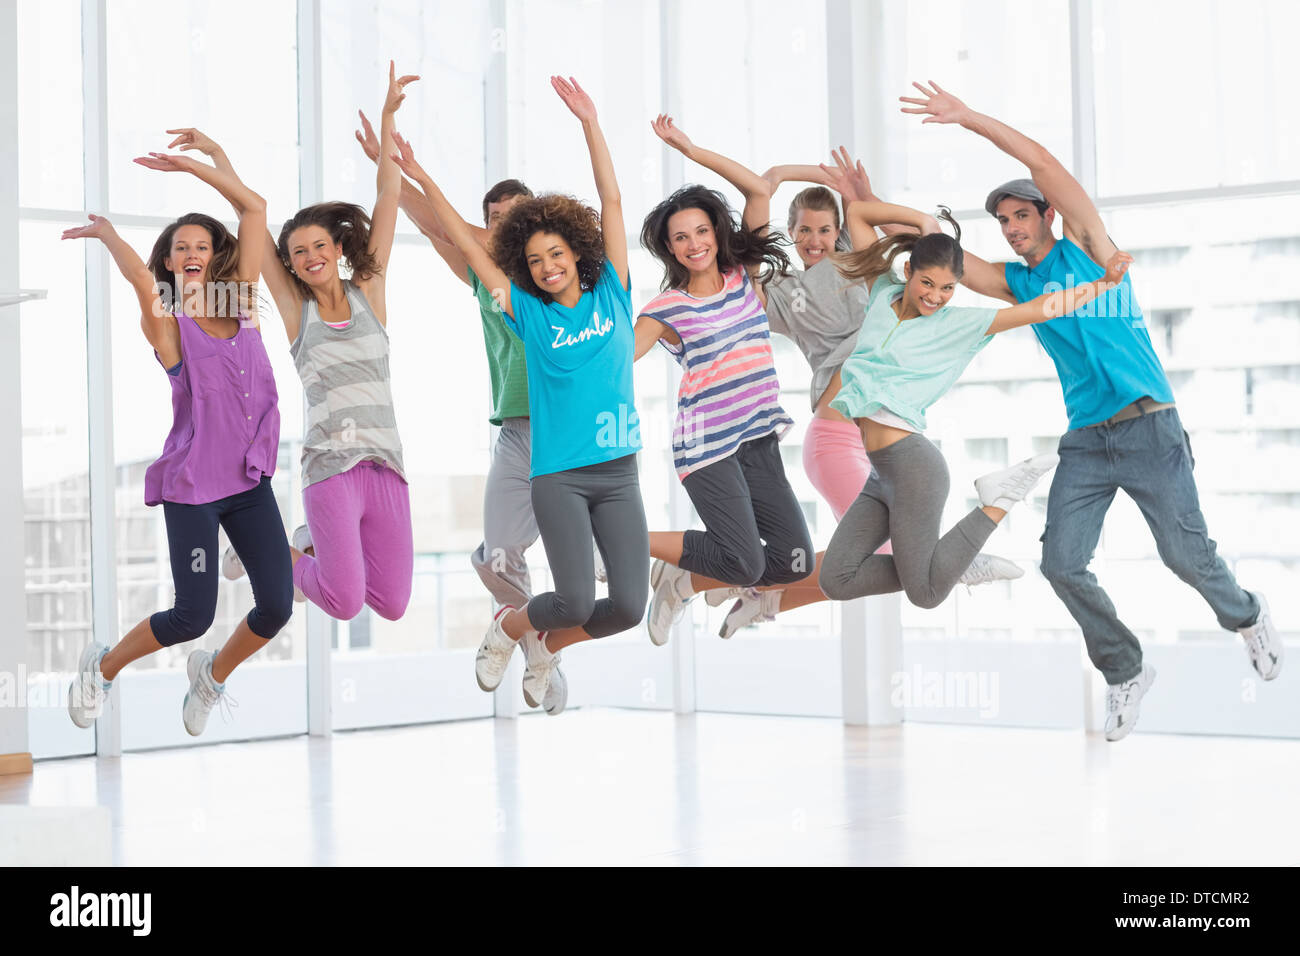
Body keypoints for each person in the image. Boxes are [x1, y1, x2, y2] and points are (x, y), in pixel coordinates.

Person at [900, 80, 1282, 741]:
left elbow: (1044, 162)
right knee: (1061, 563)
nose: (1014, 228)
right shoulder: (1016, 281)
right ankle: (1125, 668)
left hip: (1148, 426)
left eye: (1023, 215)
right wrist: (863, 207)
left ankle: (1247, 615)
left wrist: (967, 119)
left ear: (1048, 216)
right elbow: (939, 254)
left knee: (1186, 557)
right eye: (1005, 221)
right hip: (1087, 440)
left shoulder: (1092, 250)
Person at [392, 76, 648, 708]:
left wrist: (591, 123)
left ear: (575, 251)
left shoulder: (614, 290)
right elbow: (466, 245)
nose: (546, 267)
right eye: (534, 261)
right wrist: (420, 177)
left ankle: (544, 646)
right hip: (557, 474)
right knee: (574, 598)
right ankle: (510, 624)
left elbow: (612, 203)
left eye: (554, 254)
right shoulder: (529, 316)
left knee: (628, 608)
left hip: (620, 473)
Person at [704, 149, 1023, 639]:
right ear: (792, 233)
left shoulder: (866, 271)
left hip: (880, 443)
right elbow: (754, 264)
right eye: (804, 230)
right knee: (902, 556)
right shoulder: (788, 293)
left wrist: (914, 220)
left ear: (839, 234)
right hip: (834, 435)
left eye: (825, 230)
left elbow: (866, 212)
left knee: (859, 565)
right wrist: (774, 181)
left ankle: (766, 596)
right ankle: (704, 579)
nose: (815, 240)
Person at [818, 197, 1133, 623]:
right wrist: (923, 223)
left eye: (947, 288)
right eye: (928, 283)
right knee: (836, 578)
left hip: (913, 467)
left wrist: (1102, 285)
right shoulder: (881, 291)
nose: (936, 296)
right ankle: (955, 564)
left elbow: (1037, 308)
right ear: (908, 271)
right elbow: (855, 214)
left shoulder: (957, 323)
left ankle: (999, 499)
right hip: (881, 471)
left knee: (926, 593)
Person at [64, 148, 291, 737]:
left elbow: (256, 208)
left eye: (202, 246)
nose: (191, 255)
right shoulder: (169, 326)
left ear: (216, 259)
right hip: (194, 489)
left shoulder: (241, 308)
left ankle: (211, 676)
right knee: (193, 613)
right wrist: (110, 235)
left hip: (248, 483)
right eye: (180, 248)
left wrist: (203, 164)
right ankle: (103, 668)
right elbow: (141, 279)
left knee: (277, 607)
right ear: (169, 261)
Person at [352, 114, 567, 715]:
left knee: (575, 546)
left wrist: (410, 171)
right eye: (494, 220)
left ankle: (593, 577)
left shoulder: (555, 274)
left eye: (513, 219)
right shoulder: (480, 275)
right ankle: (537, 650)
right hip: (515, 429)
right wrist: (388, 168)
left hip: (567, 427)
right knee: (498, 553)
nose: (502, 229)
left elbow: (459, 226)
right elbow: (434, 224)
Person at [214, 63, 418, 629]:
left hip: (386, 465)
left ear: (337, 247)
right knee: (345, 601)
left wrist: (387, 118)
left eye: (318, 245)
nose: (309, 257)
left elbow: (387, 194)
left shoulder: (369, 293)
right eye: (297, 251)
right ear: (292, 263)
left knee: (393, 605)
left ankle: (302, 544)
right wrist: (218, 162)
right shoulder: (295, 309)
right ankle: (273, 553)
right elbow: (248, 216)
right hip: (330, 466)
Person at [634, 115, 814, 646]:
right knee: (744, 558)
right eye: (680, 238)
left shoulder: (744, 277)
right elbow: (616, 360)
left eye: (701, 231)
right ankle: (628, 540)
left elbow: (759, 189)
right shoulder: (668, 307)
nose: (694, 244)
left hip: (757, 437)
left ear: (716, 232)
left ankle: (682, 580)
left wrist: (690, 148)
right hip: (706, 444)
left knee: (792, 562)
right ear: (670, 249)